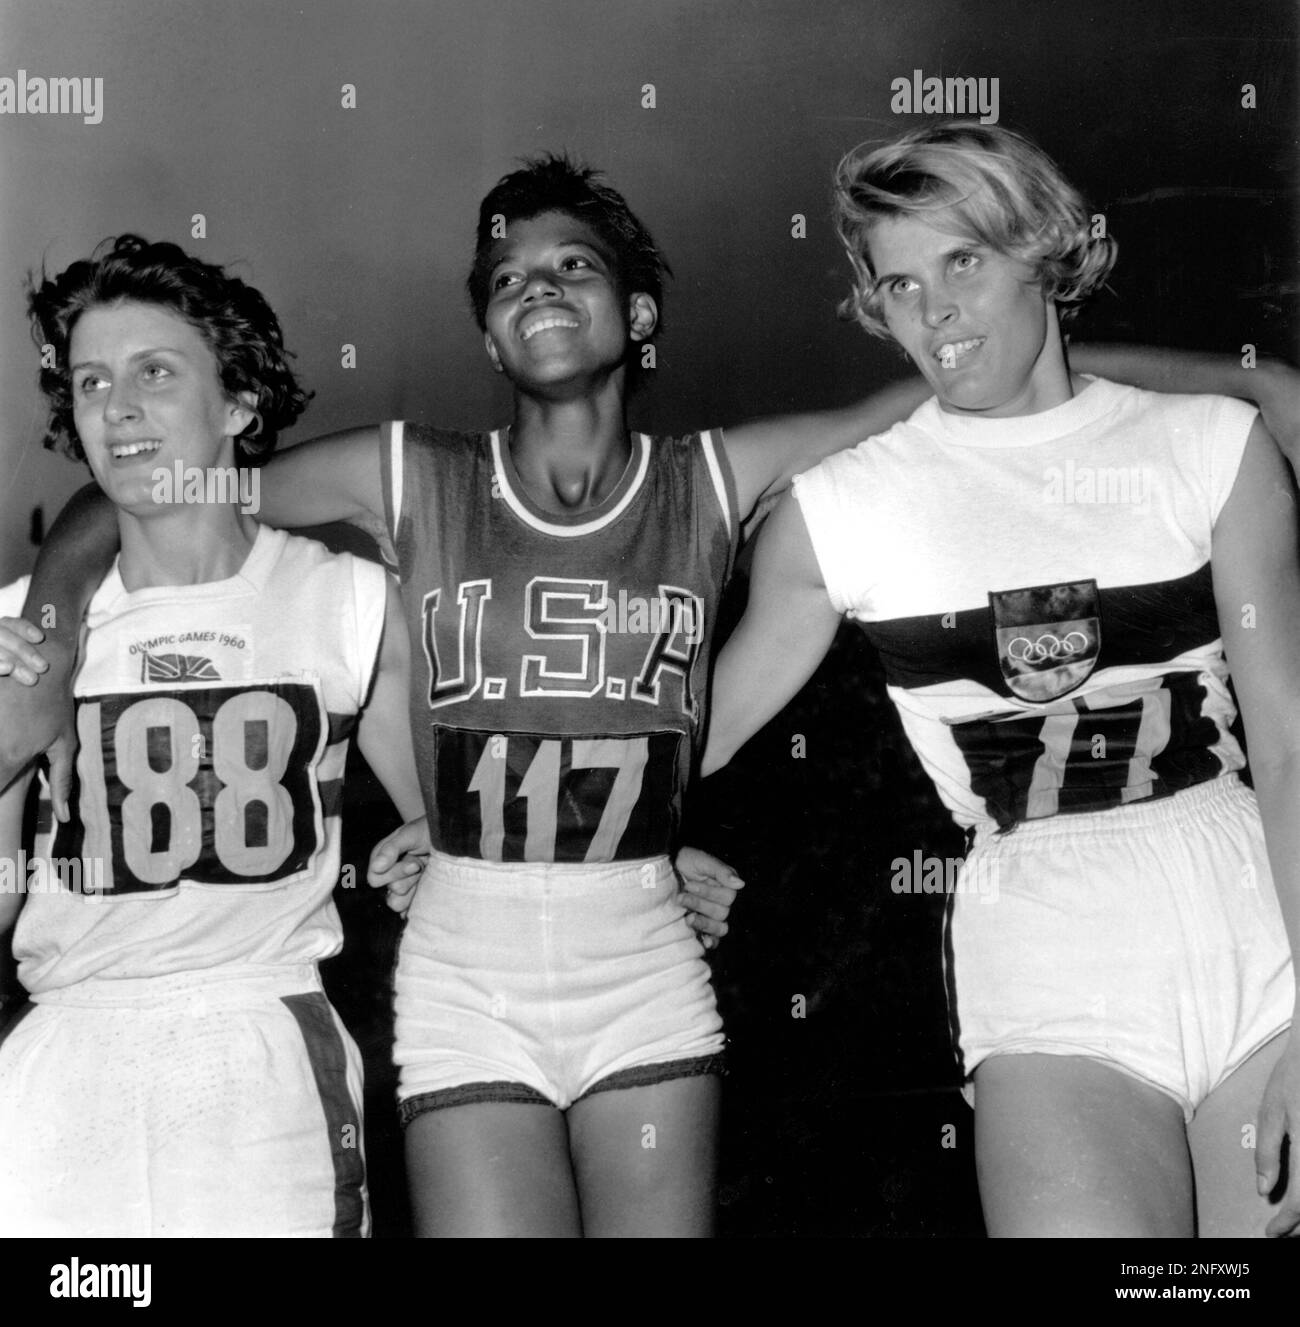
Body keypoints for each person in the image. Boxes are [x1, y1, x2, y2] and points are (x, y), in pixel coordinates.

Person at [1, 156, 1294, 1237]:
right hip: (499, 958)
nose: (539, 289)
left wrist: (1226, 382)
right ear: (482, 330)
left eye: (572, 266)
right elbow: (171, 490)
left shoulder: (727, 478)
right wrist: (52, 621)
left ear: (638, 312)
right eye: (508, 277)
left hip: (686, 958)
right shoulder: (427, 473)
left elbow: (963, 378)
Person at [701, 122, 1300, 1238]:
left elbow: (1289, 741)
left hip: (1257, 918)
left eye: (962, 261)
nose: (931, 310)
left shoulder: (1209, 446)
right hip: (1047, 955)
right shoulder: (843, 511)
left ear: (1039, 248)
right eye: (898, 283)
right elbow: (689, 739)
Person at [0, 235, 427, 1236]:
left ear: (239, 402)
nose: (117, 407)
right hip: (64, 1048)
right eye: (94, 380)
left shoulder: (352, 602)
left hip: (257, 1040)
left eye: (155, 371)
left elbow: (448, 828)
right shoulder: (26, 628)